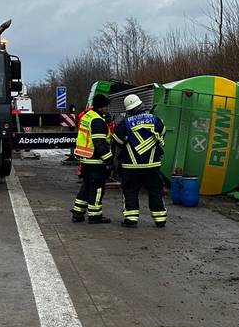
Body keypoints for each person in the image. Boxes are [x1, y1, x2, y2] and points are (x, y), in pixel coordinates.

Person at [112, 93, 167, 228]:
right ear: (141, 105)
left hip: (131, 166)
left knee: (130, 190)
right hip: (152, 165)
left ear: (128, 110)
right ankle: (160, 219)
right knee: (155, 190)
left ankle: (131, 220)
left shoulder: (125, 123)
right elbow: (163, 132)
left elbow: (117, 141)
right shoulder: (154, 119)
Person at [70, 93, 113, 224]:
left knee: (86, 187)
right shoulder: (97, 121)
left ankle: (78, 213)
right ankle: (95, 216)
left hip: (85, 159)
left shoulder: (87, 116)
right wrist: (109, 160)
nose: (108, 108)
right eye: (106, 106)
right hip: (95, 161)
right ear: (101, 107)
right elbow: (100, 143)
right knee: (97, 189)